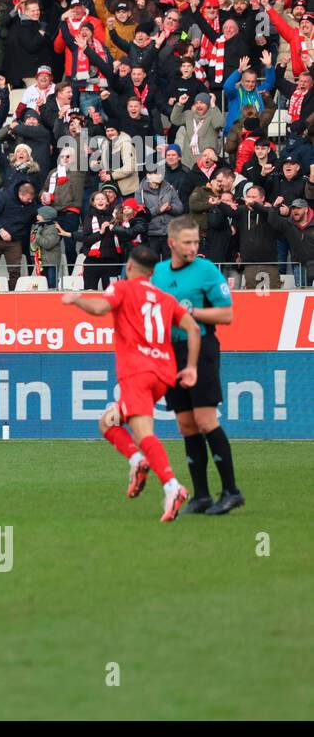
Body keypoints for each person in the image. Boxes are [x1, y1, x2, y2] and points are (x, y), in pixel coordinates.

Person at [62, 247, 200, 522]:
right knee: (107, 423)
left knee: (144, 434)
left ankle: (173, 487)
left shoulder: (122, 288)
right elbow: (194, 329)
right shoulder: (165, 298)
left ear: (130, 266)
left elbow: (100, 308)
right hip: (163, 374)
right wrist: (192, 367)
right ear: (152, 272)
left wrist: (78, 298)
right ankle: (137, 462)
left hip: (137, 372)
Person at [152, 216, 243, 516]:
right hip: (170, 351)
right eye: (187, 242)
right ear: (172, 243)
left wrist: (189, 314)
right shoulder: (160, 274)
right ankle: (201, 495)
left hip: (201, 347)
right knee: (186, 425)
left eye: (196, 242)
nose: (193, 247)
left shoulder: (206, 271)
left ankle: (231, 491)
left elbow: (227, 315)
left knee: (205, 421)